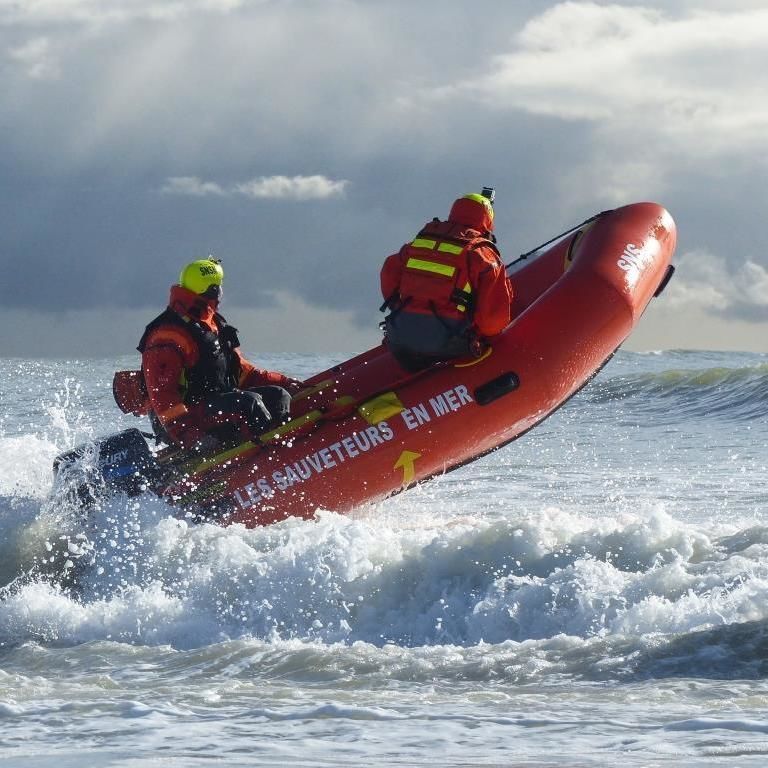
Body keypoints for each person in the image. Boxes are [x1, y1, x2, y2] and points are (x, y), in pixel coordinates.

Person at [137, 257, 303, 453]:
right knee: (248, 404)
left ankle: (290, 446)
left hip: (216, 405)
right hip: (185, 422)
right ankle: (267, 456)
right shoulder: (168, 334)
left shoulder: (213, 324)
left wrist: (286, 383)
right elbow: (163, 395)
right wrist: (191, 437)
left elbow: (242, 373)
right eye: (219, 286)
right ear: (213, 290)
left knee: (279, 396)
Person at [379, 189, 513, 371]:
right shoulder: (482, 254)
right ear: (488, 220)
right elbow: (492, 321)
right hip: (448, 343)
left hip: (401, 337)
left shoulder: (419, 243)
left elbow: (389, 271)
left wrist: (399, 305)